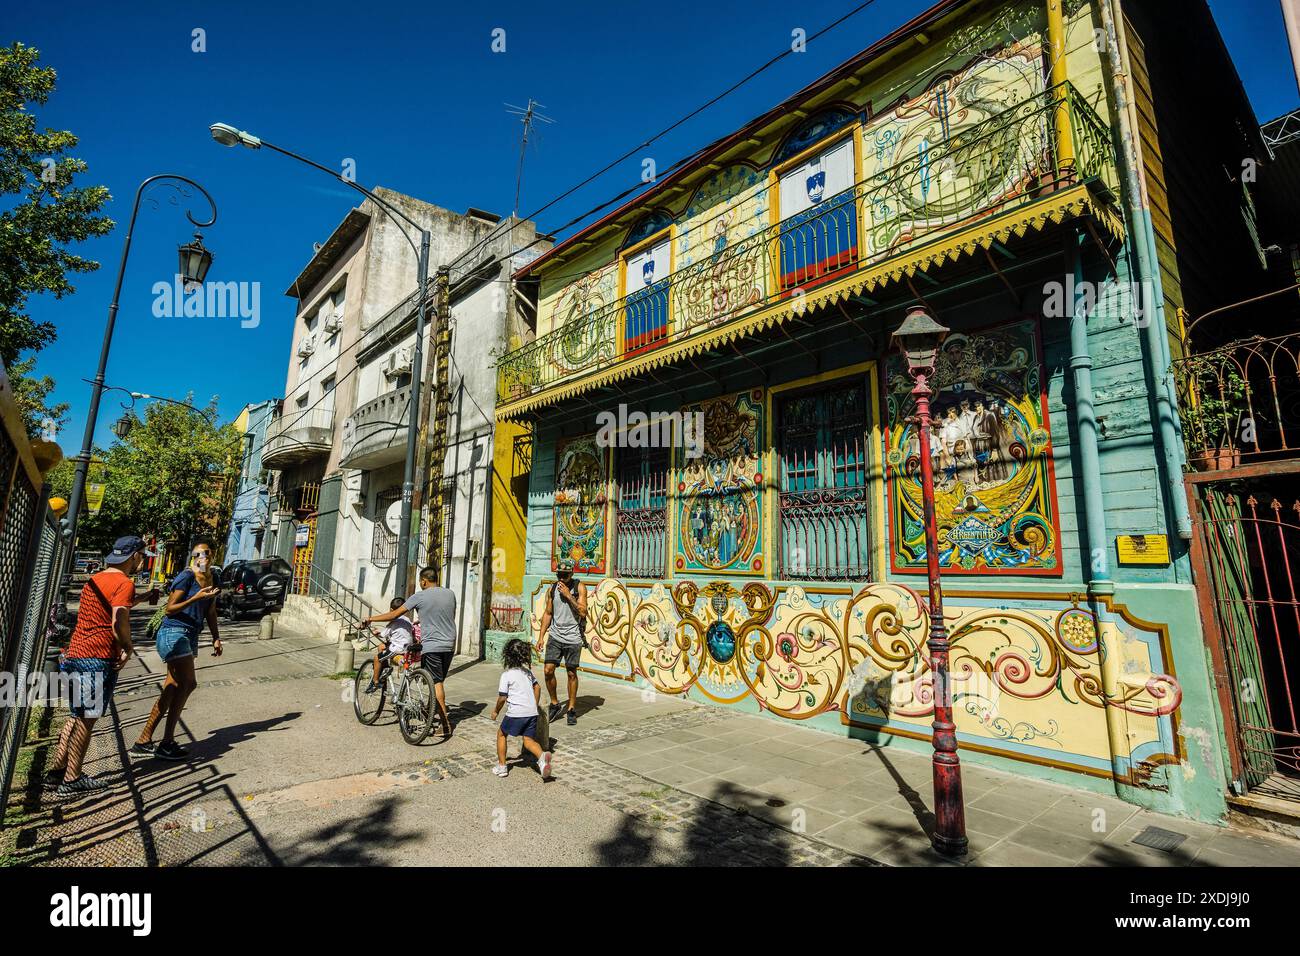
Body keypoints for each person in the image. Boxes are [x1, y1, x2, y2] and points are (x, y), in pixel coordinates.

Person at [46, 535, 158, 796]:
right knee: (87, 719)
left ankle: (56, 772)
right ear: (134, 556)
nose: (143, 561)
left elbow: (110, 605)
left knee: (76, 715)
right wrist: (128, 647)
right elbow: (118, 621)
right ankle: (72, 779)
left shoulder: (95, 580)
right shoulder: (124, 582)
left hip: (75, 655)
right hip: (96, 658)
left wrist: (142, 598)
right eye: (143, 556)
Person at [132, 541, 222, 761]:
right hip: (173, 632)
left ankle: (143, 740)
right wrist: (195, 597)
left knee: (172, 687)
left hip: (190, 633)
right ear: (194, 556)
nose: (204, 558)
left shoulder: (215, 578)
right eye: (200, 554)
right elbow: (170, 609)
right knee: (188, 683)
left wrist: (216, 638)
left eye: (208, 554)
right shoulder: (186, 577)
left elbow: (210, 611)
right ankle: (167, 742)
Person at [363, 566, 455, 739]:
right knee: (439, 679)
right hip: (450, 644)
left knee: (436, 684)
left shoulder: (419, 596)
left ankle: (445, 725)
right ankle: (430, 711)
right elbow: (447, 615)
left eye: (421, 582)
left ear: (423, 581)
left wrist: (370, 618)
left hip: (432, 645)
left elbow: (395, 614)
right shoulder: (450, 594)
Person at [489, 638, 552, 780]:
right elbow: (538, 687)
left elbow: (502, 698)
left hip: (515, 713)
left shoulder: (506, 675)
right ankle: (542, 758)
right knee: (528, 740)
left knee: (501, 734)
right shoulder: (527, 673)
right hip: (531, 712)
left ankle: (502, 766)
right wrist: (533, 704)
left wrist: (495, 711)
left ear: (507, 656)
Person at [538, 562, 587, 726]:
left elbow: (583, 611)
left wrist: (568, 595)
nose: (561, 578)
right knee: (548, 670)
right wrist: (541, 637)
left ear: (571, 574)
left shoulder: (579, 587)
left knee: (571, 673)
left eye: (564, 575)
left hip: (573, 637)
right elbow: (548, 613)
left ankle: (571, 708)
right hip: (555, 636)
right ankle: (554, 703)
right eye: (558, 575)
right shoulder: (552, 589)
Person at [365, 597, 416, 693]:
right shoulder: (407, 619)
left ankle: (375, 682)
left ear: (391, 610)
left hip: (398, 647)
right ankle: (386, 668)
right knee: (382, 647)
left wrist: (376, 633)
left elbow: (383, 634)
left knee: (377, 658)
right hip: (408, 646)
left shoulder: (393, 621)